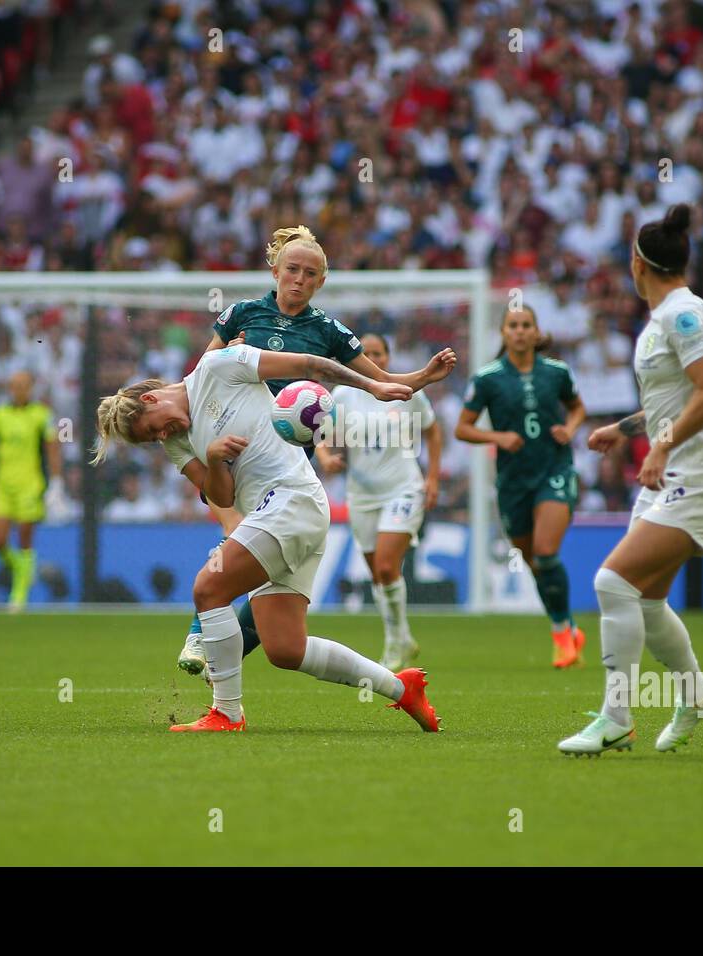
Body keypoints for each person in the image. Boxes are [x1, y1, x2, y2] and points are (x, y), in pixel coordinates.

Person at [92, 343, 442, 733]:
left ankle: (226, 713)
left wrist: (373, 385)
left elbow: (308, 363)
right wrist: (214, 459)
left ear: (152, 398)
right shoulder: (178, 442)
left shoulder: (217, 368)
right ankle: (401, 687)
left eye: (153, 427)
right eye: (152, 438)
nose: (162, 435)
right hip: (274, 515)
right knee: (286, 649)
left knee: (209, 589)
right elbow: (221, 498)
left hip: (292, 499)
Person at [174, 225, 457, 678]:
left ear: (321, 281)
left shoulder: (327, 330)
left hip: (288, 461)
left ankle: (212, 642)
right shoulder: (242, 314)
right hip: (235, 451)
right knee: (242, 542)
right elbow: (199, 379)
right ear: (275, 270)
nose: (299, 279)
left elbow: (380, 381)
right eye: (292, 270)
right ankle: (204, 633)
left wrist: (421, 377)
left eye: (310, 274)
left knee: (262, 565)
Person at [557, 204, 703, 757]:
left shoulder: (684, 316)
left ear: (638, 264)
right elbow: (676, 400)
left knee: (612, 583)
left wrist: (659, 444)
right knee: (647, 602)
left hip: (701, 476)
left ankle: (616, 719)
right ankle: (696, 694)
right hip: (673, 475)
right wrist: (627, 426)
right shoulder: (667, 318)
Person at [455, 305, 589, 668]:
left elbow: (578, 408)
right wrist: (498, 437)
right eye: (512, 325)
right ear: (503, 333)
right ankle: (568, 630)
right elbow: (462, 428)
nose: (519, 331)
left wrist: (571, 429)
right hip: (513, 481)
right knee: (534, 562)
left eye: (526, 325)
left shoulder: (557, 373)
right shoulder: (487, 378)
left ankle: (562, 635)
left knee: (546, 553)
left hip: (554, 470)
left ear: (535, 332)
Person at [316, 334, 443, 669]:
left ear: (388, 357)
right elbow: (319, 435)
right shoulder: (343, 395)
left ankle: (394, 643)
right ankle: (402, 638)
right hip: (362, 496)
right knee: (378, 574)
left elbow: (432, 430)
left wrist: (432, 478)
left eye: (379, 353)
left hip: (403, 489)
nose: (373, 359)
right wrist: (326, 457)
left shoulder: (405, 391)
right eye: (366, 353)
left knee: (388, 566)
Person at [0, 370, 62, 610]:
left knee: (24, 538)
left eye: (23, 385)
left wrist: (56, 483)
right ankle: (23, 570)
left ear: (31, 388)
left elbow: (53, 448)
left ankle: (19, 595)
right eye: (14, 385)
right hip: (3, 485)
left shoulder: (41, 414)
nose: (18, 390)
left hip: (29, 485)